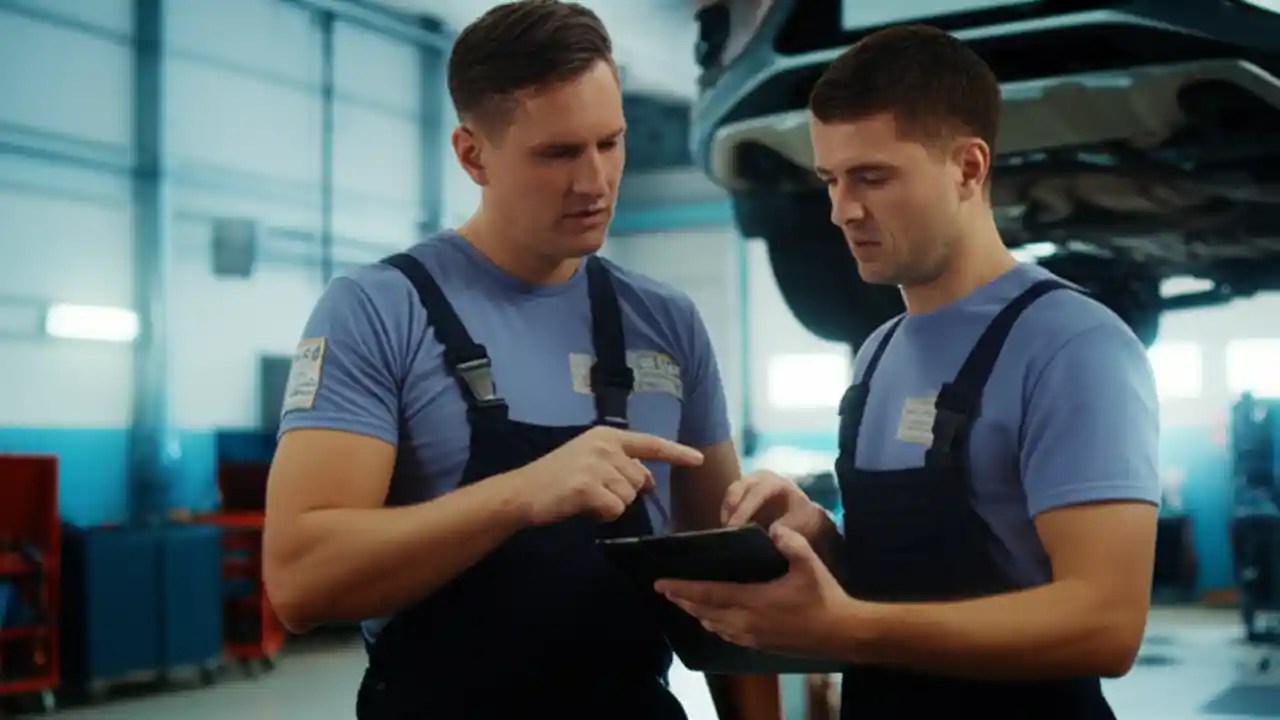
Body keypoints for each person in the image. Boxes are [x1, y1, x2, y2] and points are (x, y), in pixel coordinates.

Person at [261, 2, 781, 718]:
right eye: (558, 154)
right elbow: (301, 580)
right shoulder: (378, 311)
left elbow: (724, 574)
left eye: (610, 142)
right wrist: (520, 496)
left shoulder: (666, 323)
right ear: (472, 154)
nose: (595, 181)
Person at [656, 24, 1161, 719]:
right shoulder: (879, 352)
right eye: (831, 180)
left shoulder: (1074, 346)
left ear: (969, 169)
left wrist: (847, 630)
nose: (842, 211)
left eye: (873, 177)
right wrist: (816, 537)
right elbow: (904, 591)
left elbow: (1105, 624)